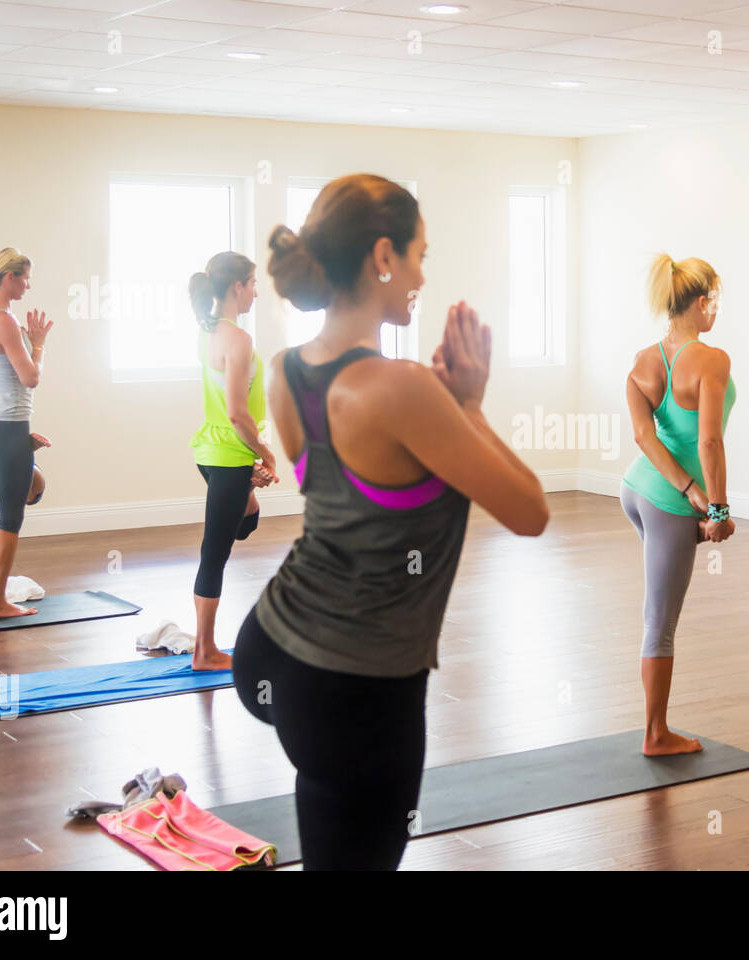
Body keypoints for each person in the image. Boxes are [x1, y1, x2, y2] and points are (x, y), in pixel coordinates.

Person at [232, 174, 549, 870]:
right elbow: (531, 513)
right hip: (358, 687)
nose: (420, 277)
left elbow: (337, 502)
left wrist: (449, 403)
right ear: (383, 256)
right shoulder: (403, 388)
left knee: (331, 831)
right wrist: (468, 403)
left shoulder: (286, 371)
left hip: (273, 646)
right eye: (419, 257)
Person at [621, 254, 736, 757]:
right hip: (669, 503)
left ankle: (656, 728)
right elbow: (709, 442)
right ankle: (655, 735)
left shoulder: (645, 360)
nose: (717, 311)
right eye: (716, 300)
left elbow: (644, 436)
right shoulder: (711, 360)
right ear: (701, 301)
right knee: (660, 622)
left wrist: (691, 493)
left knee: (657, 612)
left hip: (637, 491)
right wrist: (716, 509)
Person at [187, 252, 277, 671]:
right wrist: (265, 451)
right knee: (215, 552)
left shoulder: (209, 331)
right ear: (236, 286)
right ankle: (204, 652)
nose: (257, 292)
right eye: (253, 283)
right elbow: (238, 412)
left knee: (245, 523)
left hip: (216, 452)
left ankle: (247, 492)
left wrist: (249, 463)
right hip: (228, 454)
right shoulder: (238, 340)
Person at [0, 247, 53, 618]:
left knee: (34, 486)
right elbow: (30, 378)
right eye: (25, 277)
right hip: (5, 427)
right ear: (9, 278)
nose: (28, 285)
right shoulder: (2, 320)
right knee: (10, 518)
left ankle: (26, 460)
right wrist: (38, 345)